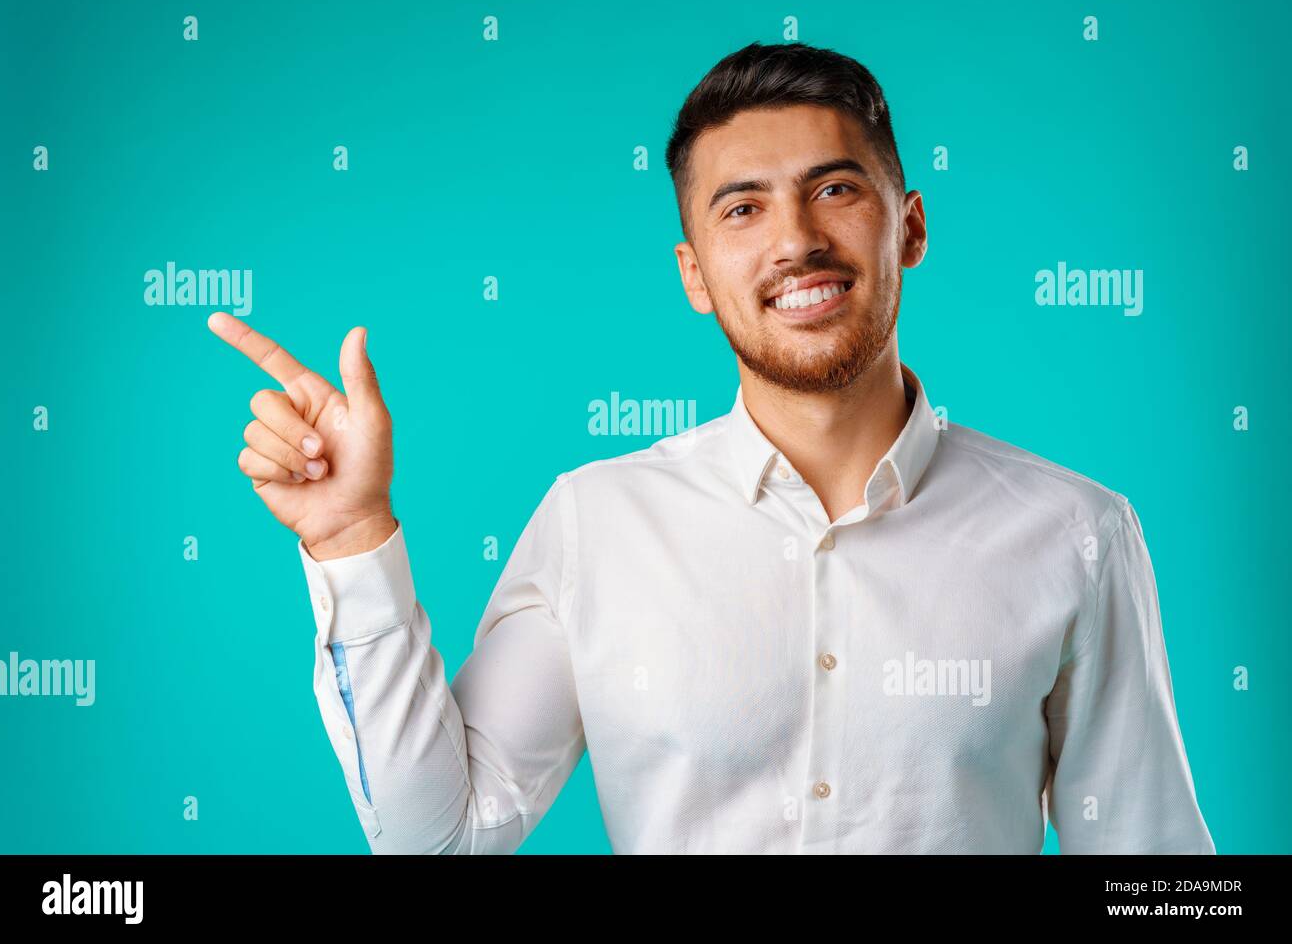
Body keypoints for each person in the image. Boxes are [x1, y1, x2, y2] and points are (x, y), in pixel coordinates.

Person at [207, 42, 1215, 854]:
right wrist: (350, 534)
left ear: (907, 227)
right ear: (694, 271)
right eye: (743, 208)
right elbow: (441, 839)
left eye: (835, 190)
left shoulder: (1077, 531)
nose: (795, 241)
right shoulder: (595, 520)